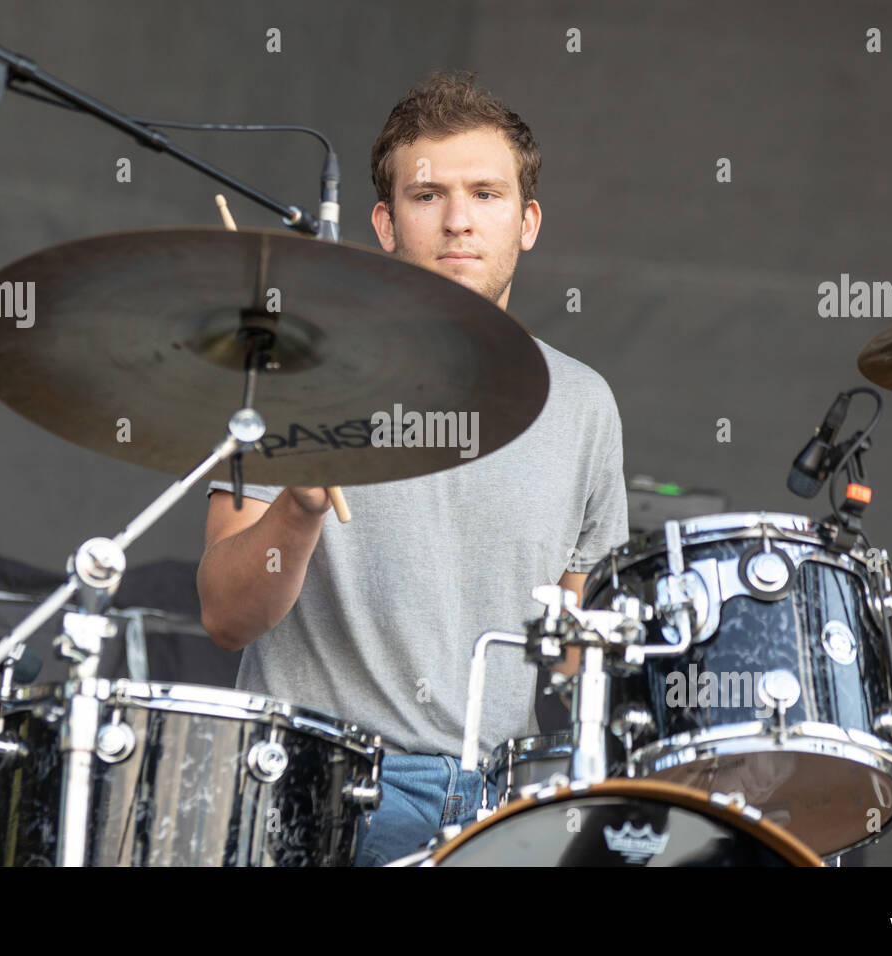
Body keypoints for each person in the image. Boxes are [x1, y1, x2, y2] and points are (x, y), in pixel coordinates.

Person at [196, 71, 629, 866]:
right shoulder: (292, 374)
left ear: (527, 221)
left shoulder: (584, 405)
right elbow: (227, 616)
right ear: (385, 224)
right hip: (325, 789)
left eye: (487, 195)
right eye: (427, 196)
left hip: (503, 807)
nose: (459, 220)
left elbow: (573, 651)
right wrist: (298, 507)